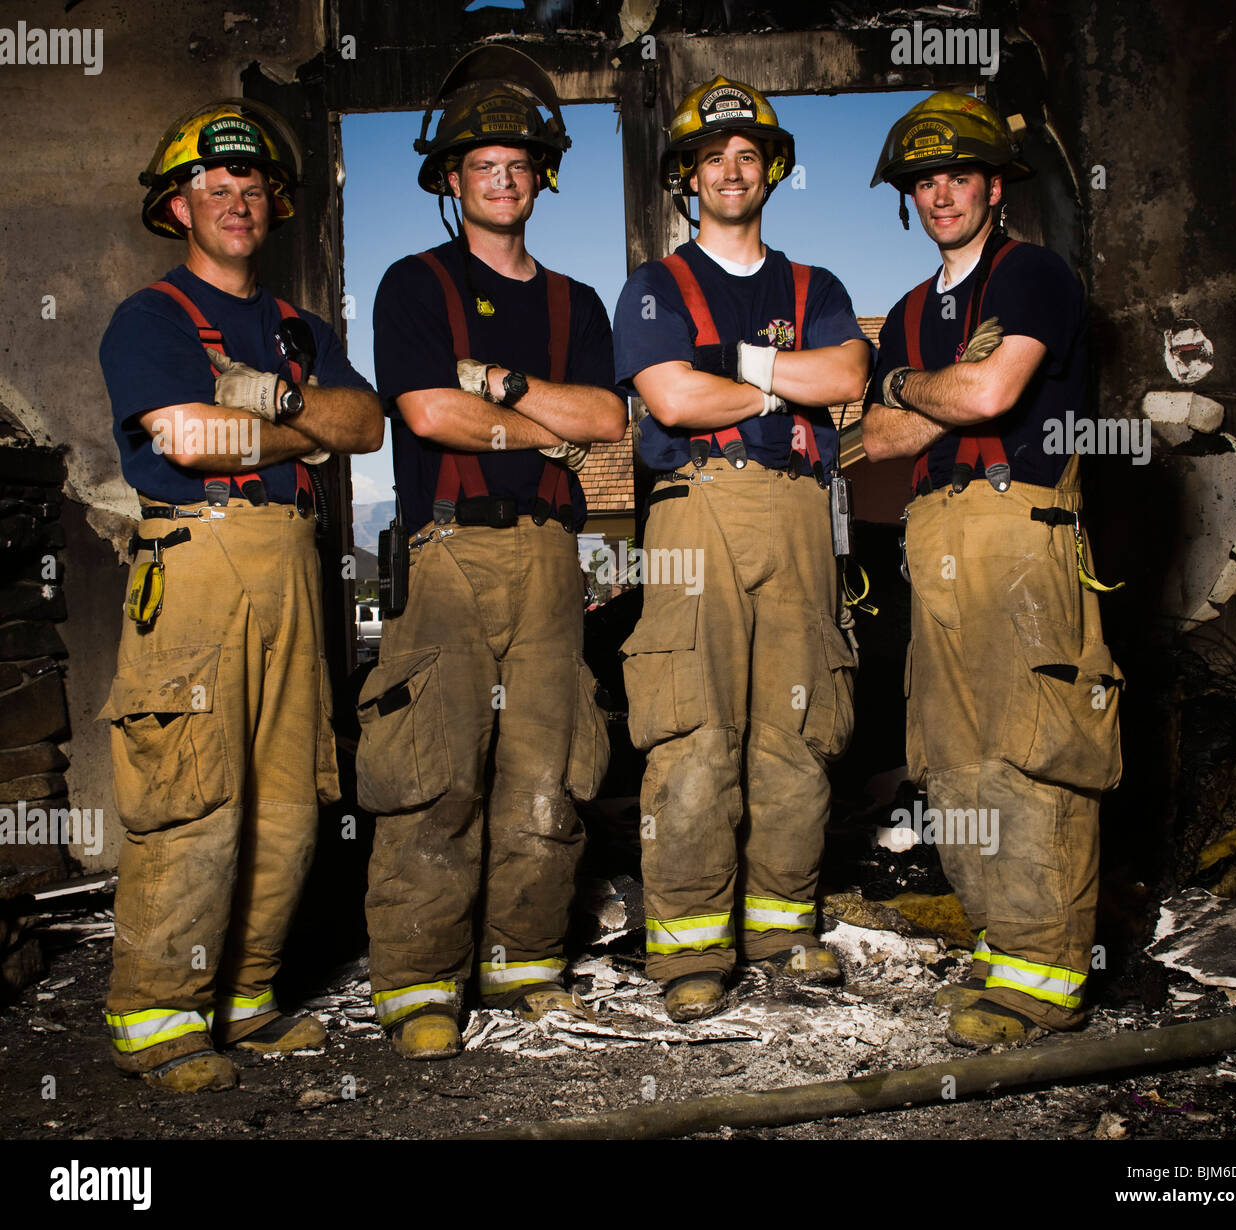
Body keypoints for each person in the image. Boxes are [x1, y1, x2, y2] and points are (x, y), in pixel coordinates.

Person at [98, 99, 384, 1091]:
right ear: (179, 207)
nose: (234, 202)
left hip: (293, 568)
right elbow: (187, 440)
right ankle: (160, 1021)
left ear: (277, 204)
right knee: (194, 796)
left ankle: (248, 1001)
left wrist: (268, 398)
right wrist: (308, 428)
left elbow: (367, 426)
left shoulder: (302, 330)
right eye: (212, 188)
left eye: (251, 186)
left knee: (289, 802)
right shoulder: (152, 318)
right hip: (199, 571)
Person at [358, 47, 625, 1060]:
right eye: (481, 164)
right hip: (446, 558)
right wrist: (533, 424)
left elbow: (601, 418)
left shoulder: (577, 304)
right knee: (436, 771)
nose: (501, 177)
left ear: (542, 174)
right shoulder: (413, 284)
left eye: (517, 161)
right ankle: (421, 986)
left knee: (545, 770)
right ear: (449, 180)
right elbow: (428, 413)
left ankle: (527, 965)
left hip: (553, 560)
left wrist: (499, 389)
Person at [859, 92, 1123, 1047]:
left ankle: (1048, 978)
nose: (941, 195)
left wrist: (921, 390)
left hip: (1021, 531)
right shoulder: (903, 316)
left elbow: (992, 390)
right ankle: (1008, 951)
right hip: (933, 538)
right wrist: (931, 393)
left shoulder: (1035, 275)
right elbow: (883, 437)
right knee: (954, 760)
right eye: (923, 182)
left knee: (1034, 751)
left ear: (994, 185)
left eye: (957, 176)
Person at [613, 76, 869, 1022]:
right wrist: (778, 389)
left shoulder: (819, 287)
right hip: (698, 510)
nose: (730, 169)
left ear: (772, 172)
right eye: (712, 157)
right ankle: (688, 950)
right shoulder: (654, 288)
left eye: (747, 156)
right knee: (692, 730)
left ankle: (782, 927)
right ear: (687, 175)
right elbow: (672, 401)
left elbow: (844, 376)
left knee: (797, 732)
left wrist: (732, 368)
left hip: (801, 512)